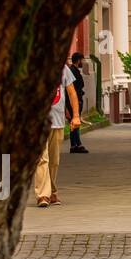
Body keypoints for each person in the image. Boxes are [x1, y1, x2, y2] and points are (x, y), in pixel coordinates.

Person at [34, 53, 78, 207]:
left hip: (57, 121)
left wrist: (76, 116)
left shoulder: (63, 68)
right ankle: (42, 195)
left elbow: (72, 93)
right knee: (42, 158)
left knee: (54, 161)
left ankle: (52, 191)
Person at [67, 51, 89, 154]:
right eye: (82, 60)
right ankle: (77, 144)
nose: (83, 62)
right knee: (75, 122)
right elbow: (73, 89)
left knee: (74, 122)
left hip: (75, 100)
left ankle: (74, 145)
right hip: (74, 101)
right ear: (79, 60)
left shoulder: (74, 70)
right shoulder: (72, 71)